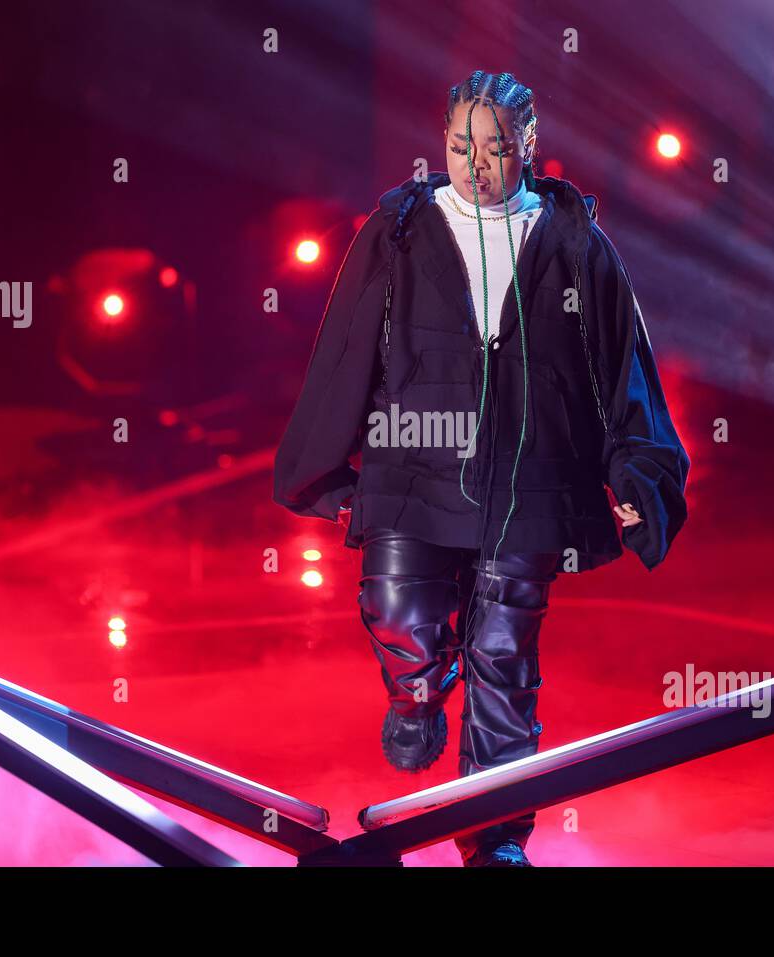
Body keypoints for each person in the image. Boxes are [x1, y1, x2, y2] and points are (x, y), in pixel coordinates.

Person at [274, 69, 690, 866]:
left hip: (527, 482)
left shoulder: (573, 243)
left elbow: (621, 369)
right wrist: (324, 465)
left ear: (530, 146)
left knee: (503, 659)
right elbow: (346, 349)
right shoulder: (399, 230)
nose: (475, 163)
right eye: (460, 145)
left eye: (495, 147)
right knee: (395, 611)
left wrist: (637, 477)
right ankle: (417, 691)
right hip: (413, 466)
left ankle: (494, 838)